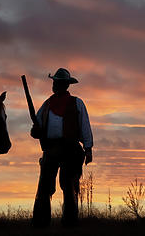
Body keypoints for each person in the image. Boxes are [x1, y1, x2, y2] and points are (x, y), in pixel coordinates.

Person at [30, 68, 93, 227]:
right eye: (55, 82)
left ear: (66, 85)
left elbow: (85, 126)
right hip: (50, 149)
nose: (56, 85)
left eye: (59, 82)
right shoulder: (47, 104)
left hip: (71, 149)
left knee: (69, 187)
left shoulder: (77, 103)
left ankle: (70, 224)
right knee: (44, 187)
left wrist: (88, 148)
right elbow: (36, 127)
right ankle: (41, 224)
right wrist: (35, 130)